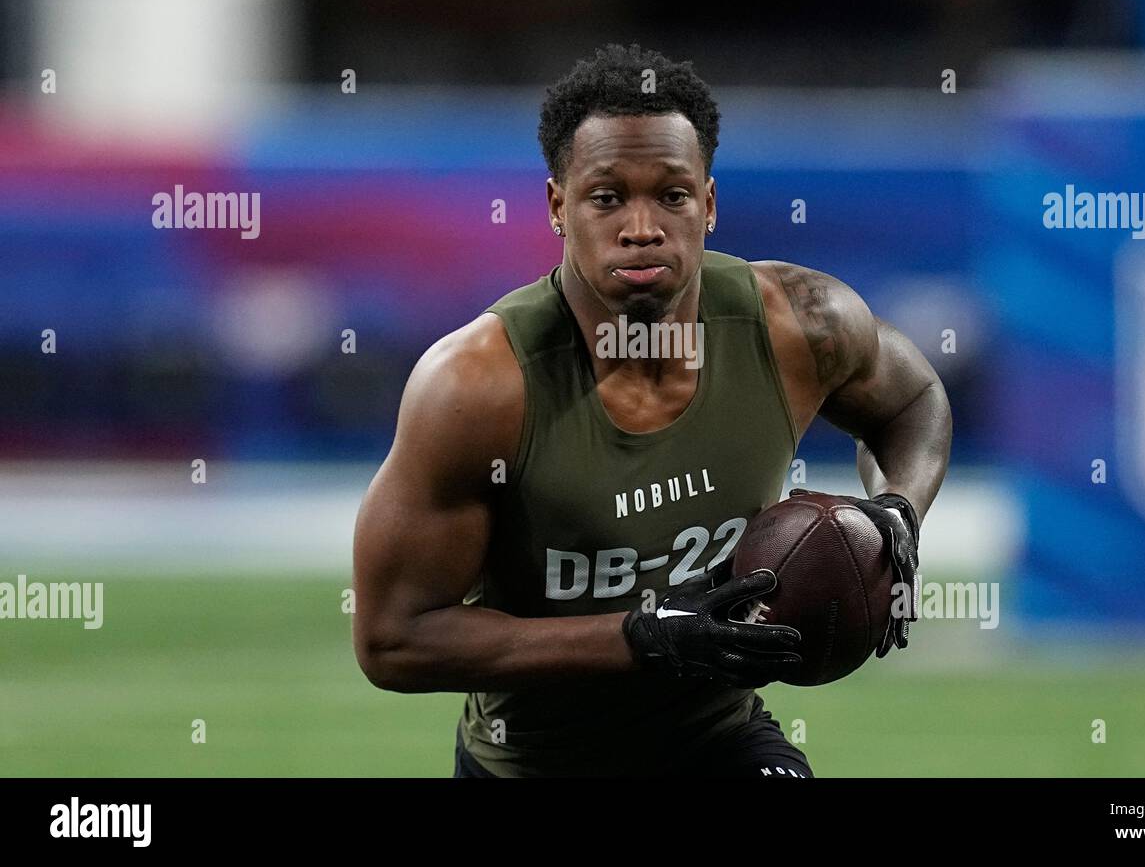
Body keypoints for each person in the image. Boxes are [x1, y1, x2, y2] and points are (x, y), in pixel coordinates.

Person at [352, 43, 952, 777]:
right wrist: (641, 635)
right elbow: (393, 639)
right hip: (536, 764)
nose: (641, 227)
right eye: (607, 197)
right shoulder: (477, 386)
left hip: (717, 740)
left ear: (708, 203)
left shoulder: (802, 323)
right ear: (556, 207)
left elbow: (913, 400)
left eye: (670, 195)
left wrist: (899, 511)